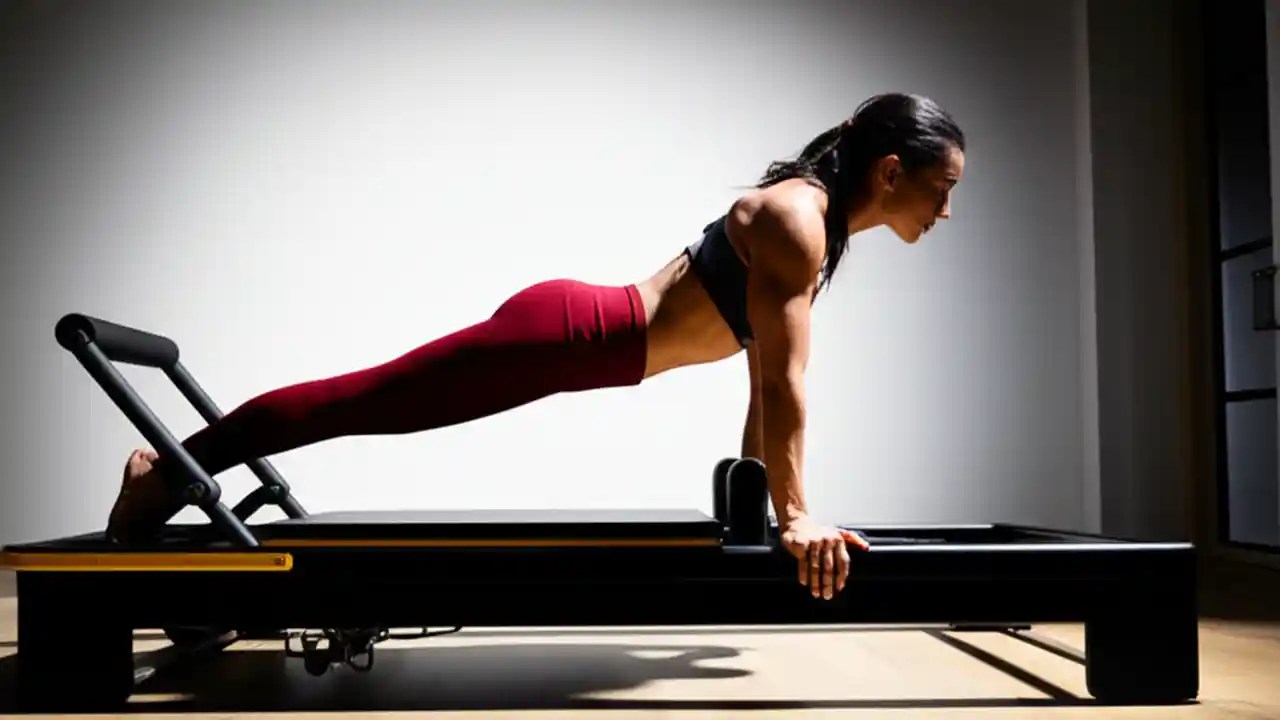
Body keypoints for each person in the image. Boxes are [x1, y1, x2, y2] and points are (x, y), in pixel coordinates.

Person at [111, 92, 965, 601]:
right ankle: (167, 469)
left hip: (574, 342)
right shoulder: (796, 219)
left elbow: (765, 386)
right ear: (892, 170)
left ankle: (178, 466)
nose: (947, 209)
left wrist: (764, 516)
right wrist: (796, 516)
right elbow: (785, 387)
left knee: (367, 403)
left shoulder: (815, 231)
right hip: (565, 335)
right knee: (362, 401)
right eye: (945, 185)